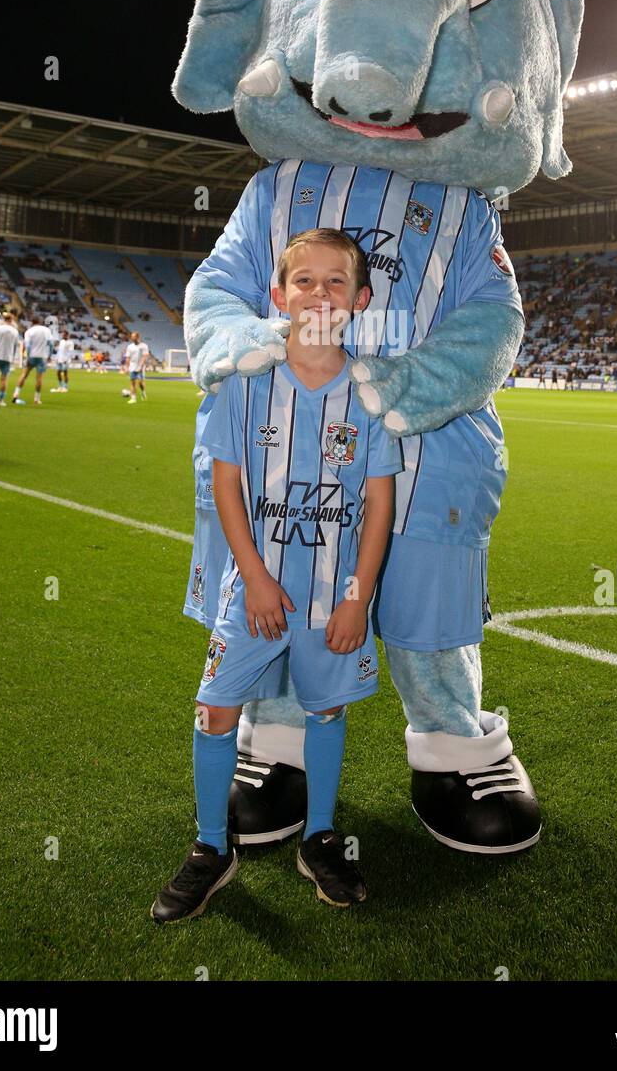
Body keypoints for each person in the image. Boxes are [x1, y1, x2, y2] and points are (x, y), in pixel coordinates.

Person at [151, 229, 402, 922]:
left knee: (326, 708)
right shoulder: (248, 385)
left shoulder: (369, 395)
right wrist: (256, 578)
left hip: (333, 602)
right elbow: (227, 488)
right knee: (214, 707)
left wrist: (359, 600)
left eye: (335, 282)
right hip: (254, 593)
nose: (319, 294)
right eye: (304, 281)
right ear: (277, 294)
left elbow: (378, 507)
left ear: (360, 298)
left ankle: (319, 836)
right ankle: (211, 847)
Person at [12, 315, 53, 406]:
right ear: (39, 321)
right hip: (41, 357)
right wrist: (49, 356)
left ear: (32, 322)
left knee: (24, 375)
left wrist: (28, 355)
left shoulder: (29, 331)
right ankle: (36, 399)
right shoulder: (46, 330)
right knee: (39, 378)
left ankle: (16, 394)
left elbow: (28, 345)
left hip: (32, 356)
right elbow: (51, 344)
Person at [122, 330, 149, 403]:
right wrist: (127, 367)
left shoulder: (144, 346)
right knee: (132, 382)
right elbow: (127, 358)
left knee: (140, 382)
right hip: (132, 366)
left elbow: (145, 356)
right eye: (131, 337)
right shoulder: (130, 347)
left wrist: (140, 366)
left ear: (138, 337)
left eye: (133, 337)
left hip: (141, 367)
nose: (132, 338)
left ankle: (143, 391)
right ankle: (133, 399)